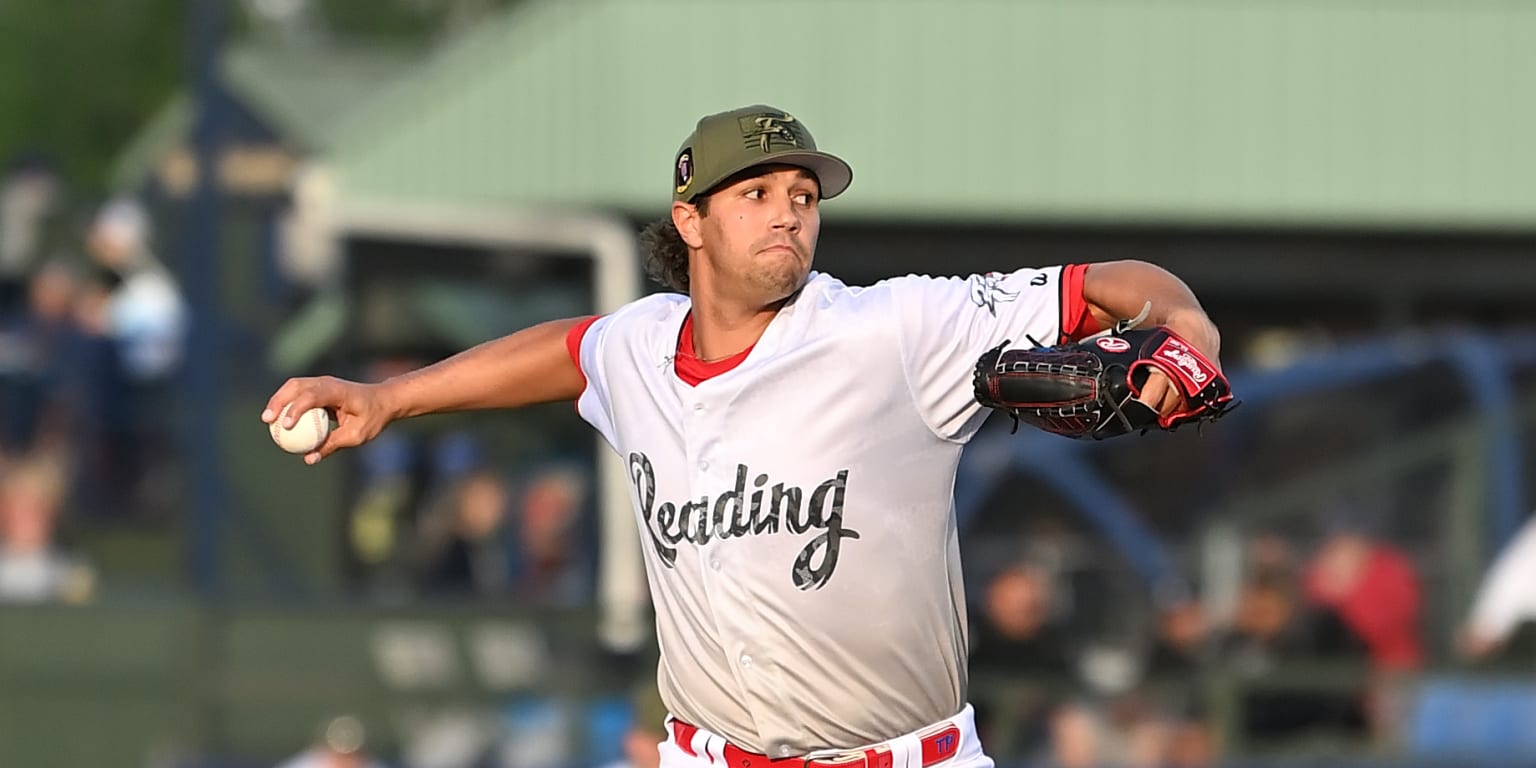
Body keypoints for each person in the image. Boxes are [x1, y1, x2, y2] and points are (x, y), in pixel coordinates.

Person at [263, 105, 1223, 766]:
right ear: (691, 221)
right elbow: (564, 351)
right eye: (755, 195)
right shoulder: (640, 347)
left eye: (803, 197)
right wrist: (389, 401)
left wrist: (1190, 336)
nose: (789, 215)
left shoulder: (894, 329)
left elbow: (1118, 282)